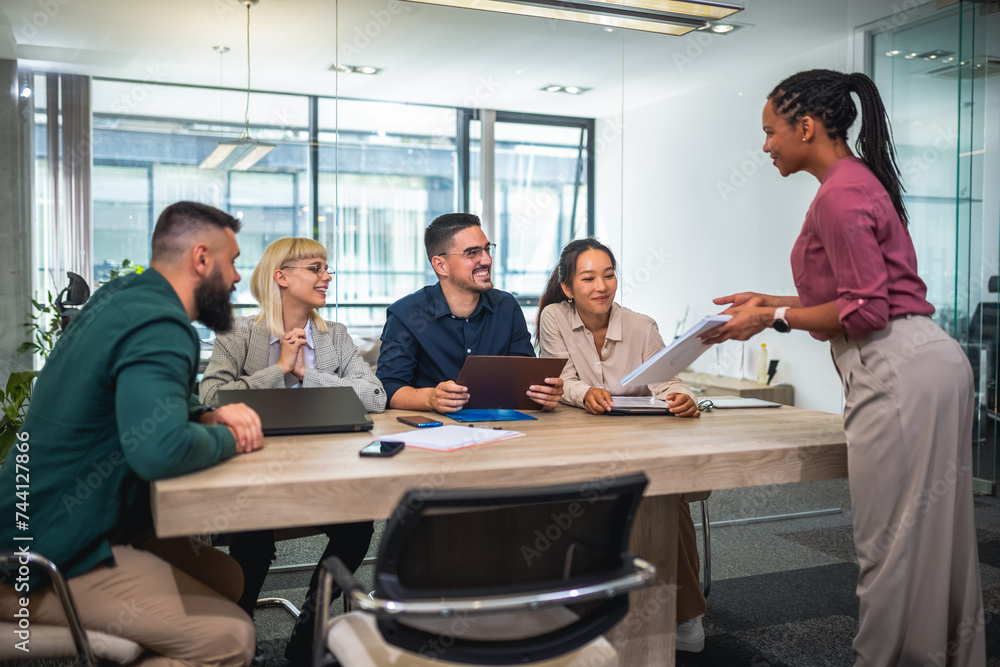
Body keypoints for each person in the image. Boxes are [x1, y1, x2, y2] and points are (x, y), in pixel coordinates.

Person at [701, 69, 985, 666]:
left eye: (770, 131)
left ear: (806, 126)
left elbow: (864, 310)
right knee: (933, 537)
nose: (765, 145)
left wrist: (773, 316)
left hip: (898, 367)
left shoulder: (840, 193)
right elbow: (854, 299)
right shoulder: (855, 182)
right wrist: (767, 304)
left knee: (887, 541)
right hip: (922, 361)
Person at [0, 201, 263, 667]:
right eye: (234, 261)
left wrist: (204, 416)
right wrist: (233, 439)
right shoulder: (161, 323)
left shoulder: (125, 296)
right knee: (232, 638)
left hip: (67, 522)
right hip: (40, 557)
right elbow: (160, 451)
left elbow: (151, 396)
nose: (239, 277)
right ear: (202, 258)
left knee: (228, 579)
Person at [200, 237, 384, 664]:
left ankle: (308, 630)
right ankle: (241, 640)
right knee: (253, 540)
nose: (327, 276)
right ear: (281, 277)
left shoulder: (334, 335)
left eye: (327, 268)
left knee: (357, 528)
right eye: (316, 268)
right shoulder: (238, 332)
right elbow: (209, 397)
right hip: (256, 470)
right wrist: (278, 370)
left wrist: (309, 376)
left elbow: (375, 395)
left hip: (327, 469)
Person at [536, 238, 706, 653]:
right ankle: (582, 605)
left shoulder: (641, 326)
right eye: (589, 277)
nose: (602, 286)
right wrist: (582, 394)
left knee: (668, 495)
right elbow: (563, 379)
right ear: (567, 287)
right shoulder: (553, 318)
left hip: (639, 438)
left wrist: (682, 396)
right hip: (578, 438)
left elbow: (667, 379)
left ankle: (686, 611)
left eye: (609, 275)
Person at [377, 212, 563, 412]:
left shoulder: (507, 307)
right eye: (472, 252)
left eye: (487, 249)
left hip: (502, 428)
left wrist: (544, 394)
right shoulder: (407, 315)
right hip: (431, 430)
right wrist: (430, 398)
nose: (486, 260)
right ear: (441, 265)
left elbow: (526, 380)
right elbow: (387, 387)